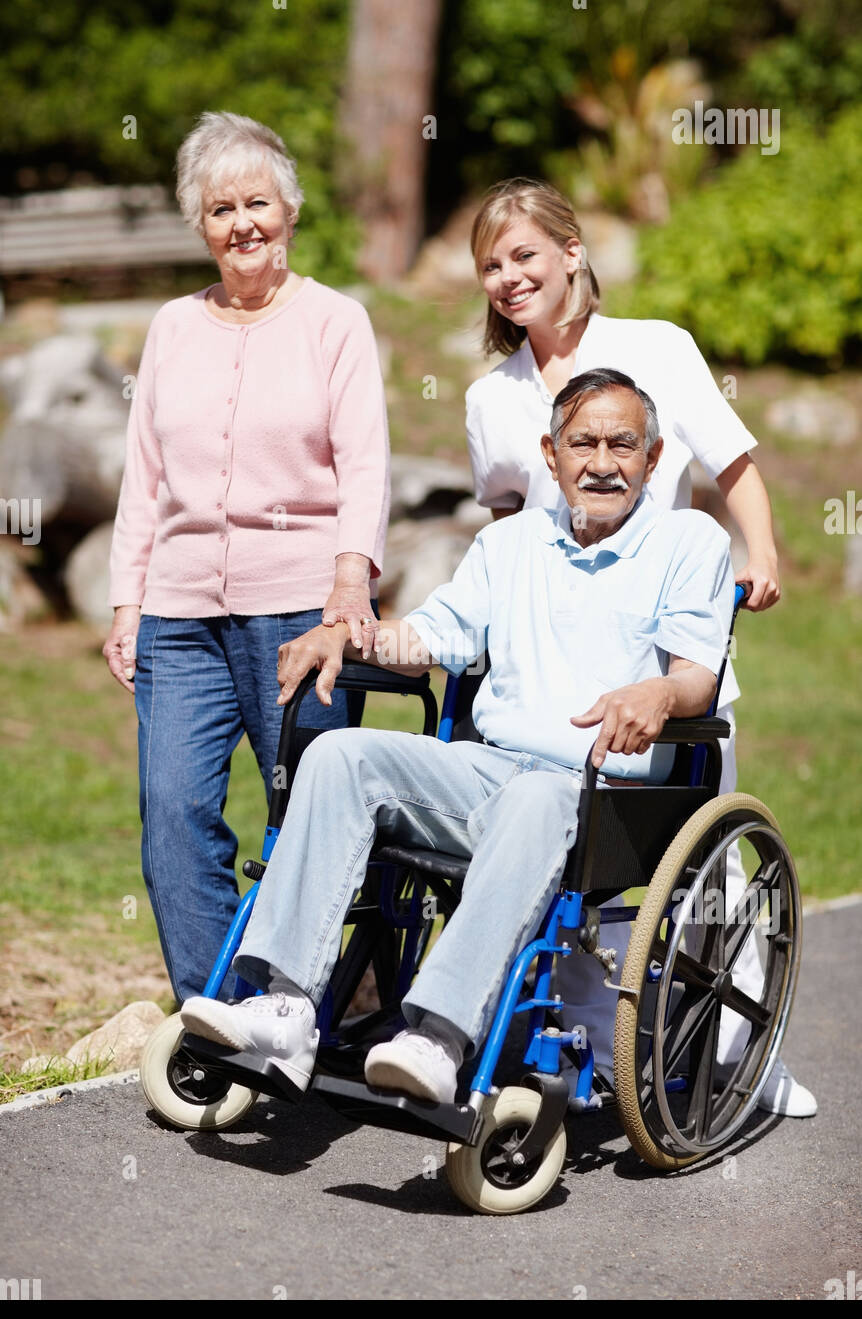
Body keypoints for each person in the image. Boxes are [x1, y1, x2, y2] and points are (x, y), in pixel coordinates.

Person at [179, 370, 736, 1105]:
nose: (602, 462)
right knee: (342, 754)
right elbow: (435, 636)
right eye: (583, 443)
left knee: (539, 797)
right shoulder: (507, 545)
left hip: (604, 793)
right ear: (550, 453)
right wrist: (350, 638)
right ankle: (284, 1009)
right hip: (487, 770)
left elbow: (696, 679)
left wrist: (658, 691)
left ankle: (437, 1037)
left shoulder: (690, 541)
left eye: (622, 444)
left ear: (654, 458)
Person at [464, 178, 814, 1118]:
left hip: (669, 648)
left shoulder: (655, 349)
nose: (508, 277)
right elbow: (504, 528)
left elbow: (731, 462)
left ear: (573, 252)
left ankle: (746, 1060)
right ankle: (574, 1042)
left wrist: (764, 555)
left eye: (525, 255)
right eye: (492, 265)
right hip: (552, 676)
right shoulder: (491, 400)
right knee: (566, 864)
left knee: (704, 876)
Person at [103, 112, 390, 1003]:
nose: (242, 223)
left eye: (256, 201)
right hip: (179, 619)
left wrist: (350, 588)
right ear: (201, 224)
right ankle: (217, 1009)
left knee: (309, 814)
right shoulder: (171, 328)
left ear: (291, 209)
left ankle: (309, 999)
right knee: (174, 817)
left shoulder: (336, 322)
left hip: (299, 616)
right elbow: (143, 477)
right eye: (220, 208)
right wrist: (126, 604)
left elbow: (366, 464)